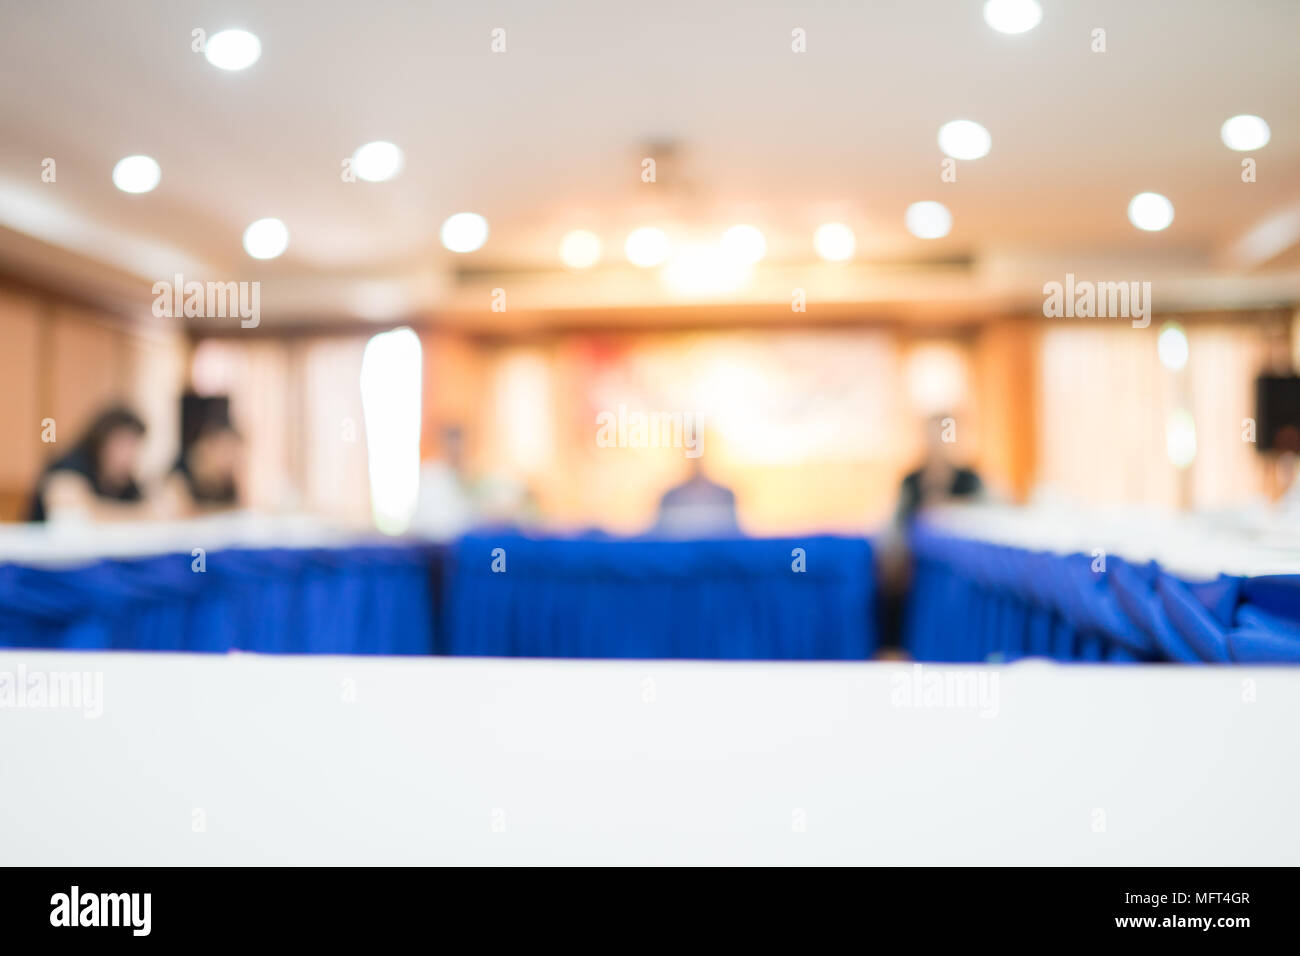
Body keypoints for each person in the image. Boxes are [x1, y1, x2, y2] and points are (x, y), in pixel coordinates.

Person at [877, 414, 985, 656]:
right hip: (915, 571)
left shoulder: (971, 481)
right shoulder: (911, 481)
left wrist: (951, 506)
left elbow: (993, 517)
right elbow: (893, 525)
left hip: (960, 573)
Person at [28, 406, 149, 522]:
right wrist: (140, 514)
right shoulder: (69, 465)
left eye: (134, 446)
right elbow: (73, 514)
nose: (129, 455)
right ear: (102, 441)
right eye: (123, 445)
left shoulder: (125, 483)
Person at [160, 418, 242, 514]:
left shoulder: (229, 484)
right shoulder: (182, 470)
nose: (229, 460)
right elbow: (180, 507)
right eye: (226, 451)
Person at [411, 424, 478, 540]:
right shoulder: (431, 474)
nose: (456, 450)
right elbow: (426, 521)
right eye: (453, 444)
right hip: (432, 544)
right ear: (444, 444)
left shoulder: (467, 477)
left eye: (460, 446)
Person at [652, 457, 740, 538]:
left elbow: (731, 533)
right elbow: (662, 534)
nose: (696, 460)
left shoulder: (725, 495)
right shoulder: (671, 497)